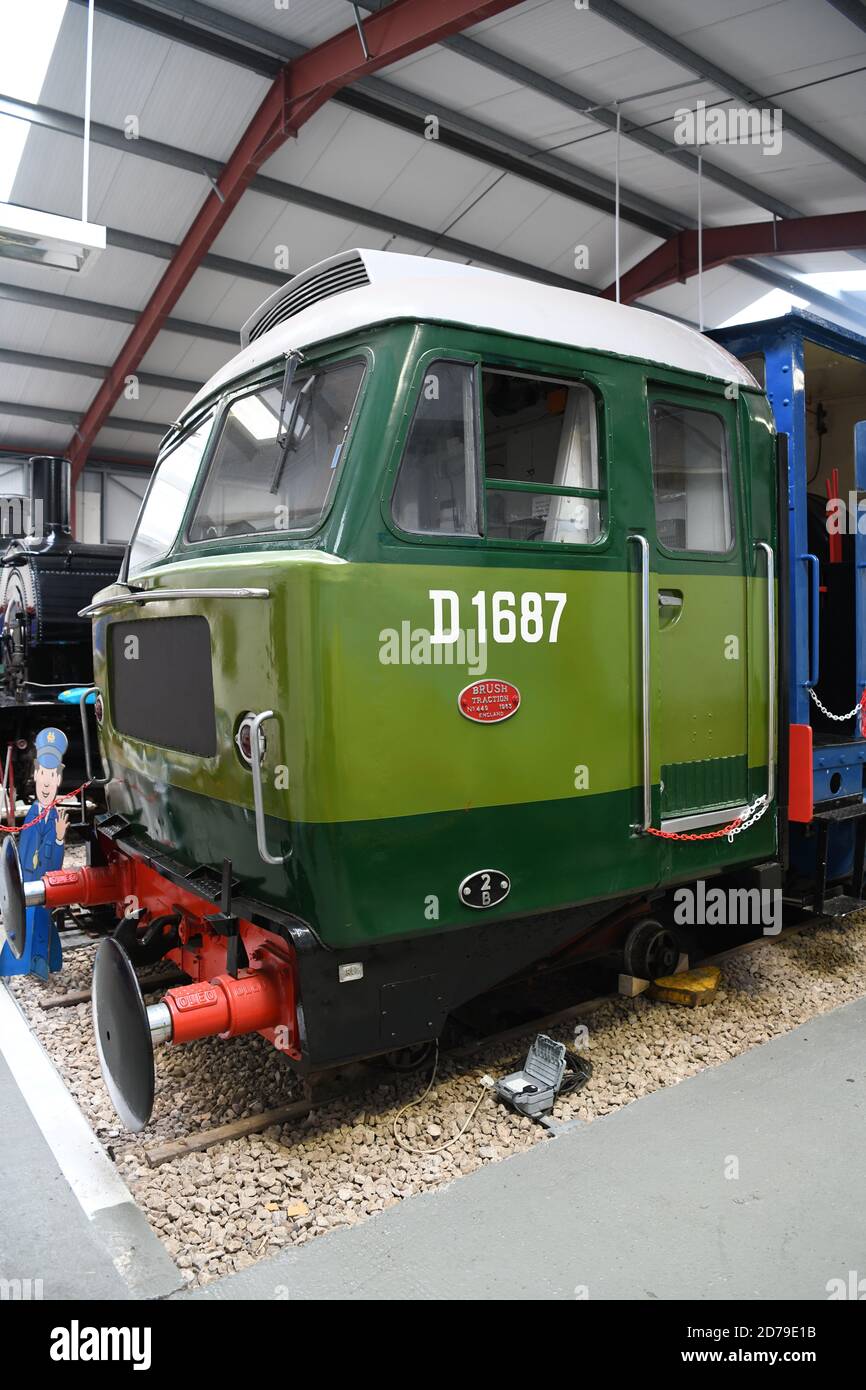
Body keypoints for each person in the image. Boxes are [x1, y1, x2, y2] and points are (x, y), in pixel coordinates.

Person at [0, 727, 69, 979]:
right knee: (31, 921)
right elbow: (28, 851)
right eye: (43, 774)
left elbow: (54, 855)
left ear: (59, 779)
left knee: (42, 922)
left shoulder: (53, 815)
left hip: (46, 876)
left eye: (52, 775)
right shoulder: (33, 814)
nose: (47, 782)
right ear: (36, 775)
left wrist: (60, 838)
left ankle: (44, 961)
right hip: (33, 877)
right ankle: (24, 963)